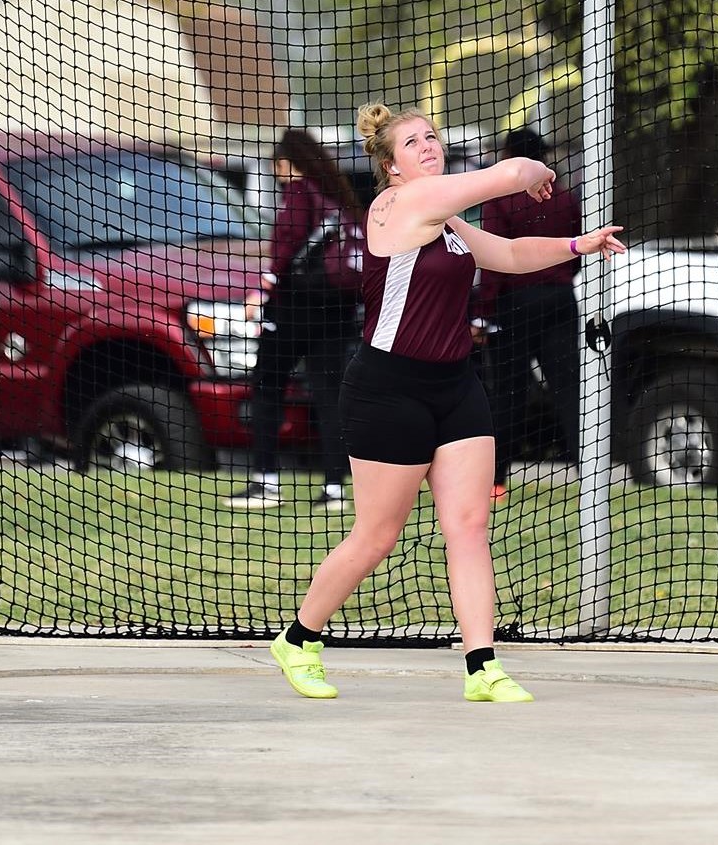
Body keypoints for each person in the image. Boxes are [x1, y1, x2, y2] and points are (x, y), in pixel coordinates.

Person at [268, 103, 625, 702]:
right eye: (413, 143)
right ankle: (299, 639)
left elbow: (508, 256)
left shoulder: (449, 221)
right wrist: (532, 169)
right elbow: (509, 175)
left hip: (455, 386)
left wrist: (577, 243)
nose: (428, 146)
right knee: (377, 536)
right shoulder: (402, 205)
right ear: (391, 167)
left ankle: (482, 666)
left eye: (432, 137)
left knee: (468, 526)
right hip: (387, 390)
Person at [225, 129, 363, 512]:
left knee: (267, 387)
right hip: (338, 313)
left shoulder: (299, 193)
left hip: (294, 312)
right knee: (329, 398)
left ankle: (266, 481)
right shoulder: (338, 199)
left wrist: (262, 289)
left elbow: (286, 245)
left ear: (286, 162)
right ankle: (335, 487)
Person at [477, 128, 583, 501]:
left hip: (514, 303)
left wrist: (483, 312)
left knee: (507, 391)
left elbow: (493, 259)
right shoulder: (566, 199)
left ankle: (495, 479)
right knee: (568, 387)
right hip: (559, 299)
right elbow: (575, 250)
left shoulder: (501, 201)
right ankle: (589, 472)